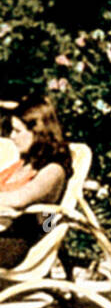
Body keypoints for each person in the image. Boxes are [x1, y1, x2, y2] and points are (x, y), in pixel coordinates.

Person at [0, 95, 71, 269]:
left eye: (18, 131)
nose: (12, 137)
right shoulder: (22, 165)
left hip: (14, 241)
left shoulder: (53, 169)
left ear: (38, 131)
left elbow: (19, 199)